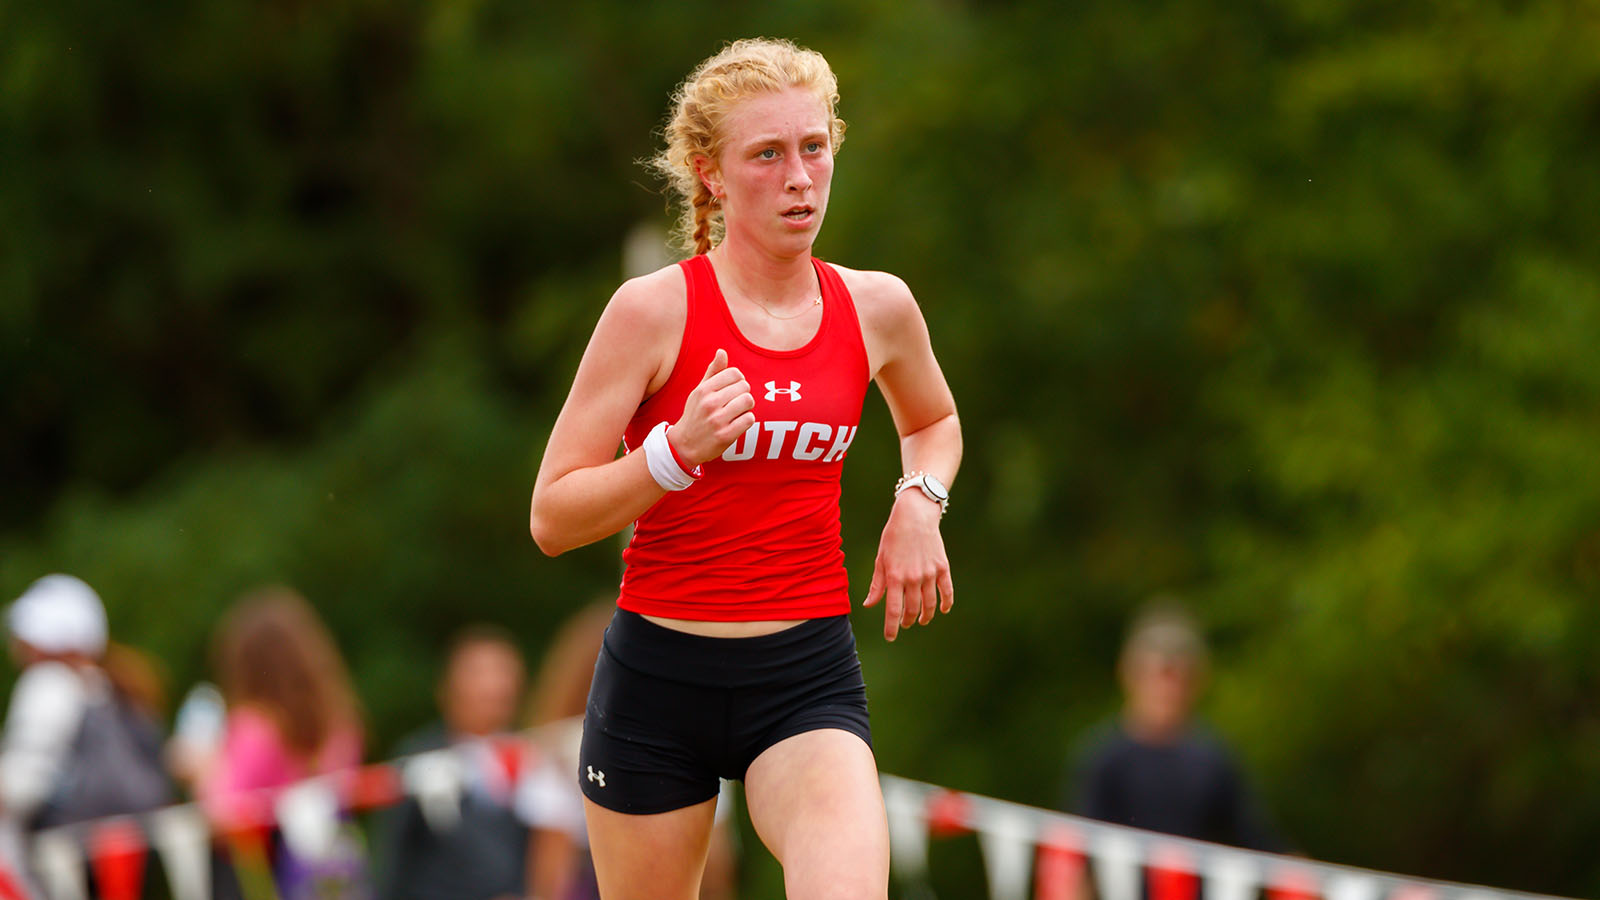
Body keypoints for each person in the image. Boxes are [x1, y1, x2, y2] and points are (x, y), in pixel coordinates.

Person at [528, 37, 961, 900]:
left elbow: (935, 420)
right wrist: (670, 455)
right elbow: (552, 516)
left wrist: (920, 502)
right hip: (656, 685)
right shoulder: (652, 311)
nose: (800, 176)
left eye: (814, 147)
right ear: (713, 175)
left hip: (805, 682)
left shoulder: (877, 305)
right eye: (768, 154)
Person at [1067, 602, 1286, 852]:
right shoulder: (1105, 757)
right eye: (1158, 676)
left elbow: (1257, 839)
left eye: (1179, 679)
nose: (1167, 691)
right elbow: (1080, 849)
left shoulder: (1213, 760)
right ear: (1129, 675)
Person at [196, 587, 367, 899]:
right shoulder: (340, 722)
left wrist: (201, 767)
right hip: (329, 873)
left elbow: (222, 817)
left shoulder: (254, 727)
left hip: (268, 881)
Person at [2, 574, 173, 830]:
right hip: (130, 844)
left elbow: (24, 783)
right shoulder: (110, 686)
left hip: (66, 851)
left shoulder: (48, 684)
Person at [375, 625, 530, 900]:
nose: (493, 685)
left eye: (502, 671)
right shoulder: (418, 759)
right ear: (448, 687)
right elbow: (393, 863)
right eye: (478, 672)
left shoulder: (532, 757)